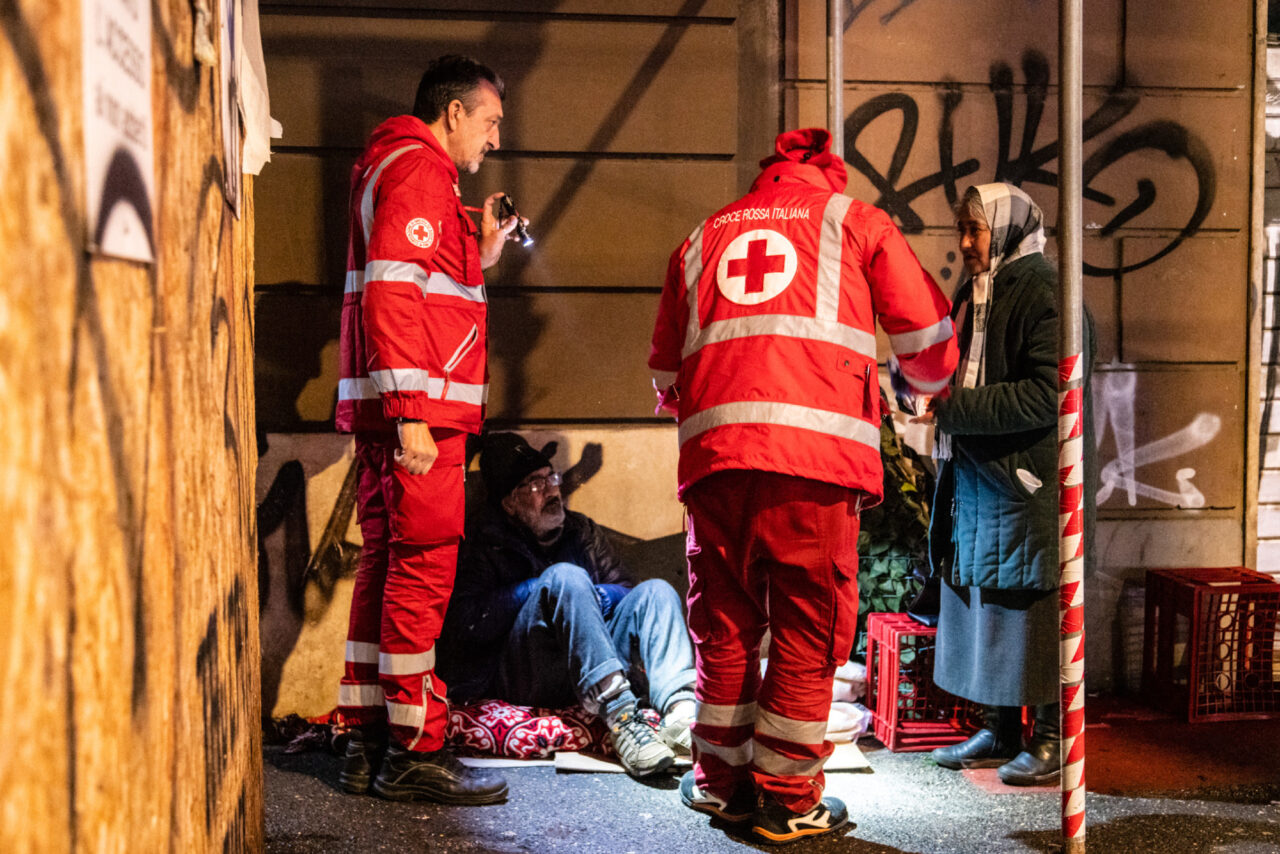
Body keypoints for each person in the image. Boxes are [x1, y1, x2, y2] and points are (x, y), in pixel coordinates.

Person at [649, 128, 959, 845]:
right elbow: (924, 334)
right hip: (811, 467)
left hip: (715, 463)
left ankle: (718, 784)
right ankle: (787, 801)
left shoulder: (701, 237)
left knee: (723, 628)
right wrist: (927, 387)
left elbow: (665, 376)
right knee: (806, 629)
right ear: (827, 175)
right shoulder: (853, 223)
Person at [333, 55, 526, 805]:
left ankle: (366, 735)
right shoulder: (418, 170)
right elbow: (393, 294)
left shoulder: (397, 169)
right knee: (422, 569)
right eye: (490, 121)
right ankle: (415, 748)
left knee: (384, 562)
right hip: (421, 419)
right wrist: (413, 412)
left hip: (391, 407)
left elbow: (416, 285)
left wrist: (484, 248)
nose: (494, 140)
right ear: (452, 113)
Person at [918, 183, 1094, 786]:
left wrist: (952, 408)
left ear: (1010, 228)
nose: (965, 243)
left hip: (1027, 483)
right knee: (984, 601)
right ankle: (999, 729)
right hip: (982, 478)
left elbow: (1050, 394)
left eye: (977, 229)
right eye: (960, 229)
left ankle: (1049, 738)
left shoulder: (1045, 288)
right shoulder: (983, 286)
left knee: (1030, 608)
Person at [437, 432, 698, 779]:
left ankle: (681, 716)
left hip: (585, 670)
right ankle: (623, 720)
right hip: (527, 671)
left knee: (656, 592)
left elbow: (626, 589)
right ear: (509, 503)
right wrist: (537, 589)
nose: (551, 491)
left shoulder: (581, 532)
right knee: (565, 577)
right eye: (534, 484)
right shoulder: (486, 543)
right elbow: (466, 623)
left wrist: (601, 596)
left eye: (551, 478)